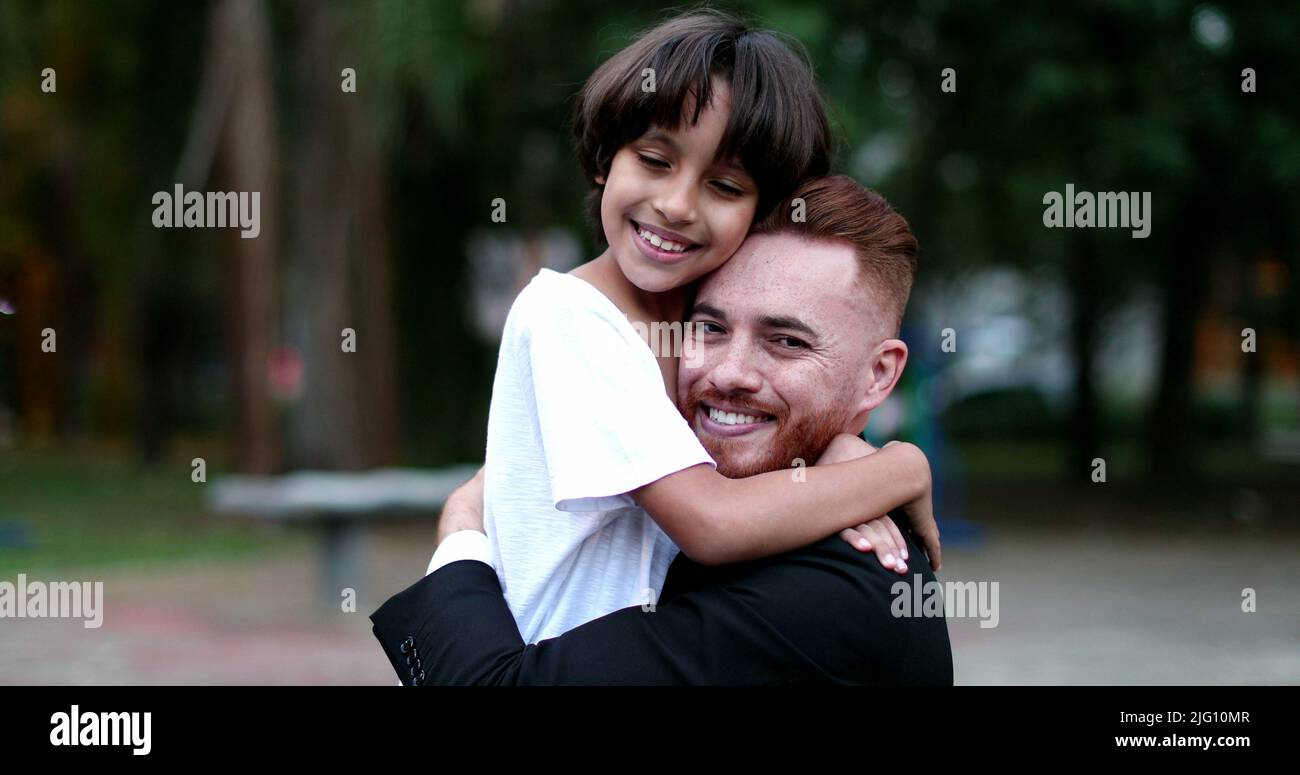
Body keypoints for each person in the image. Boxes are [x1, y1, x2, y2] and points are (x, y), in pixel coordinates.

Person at [373, 176, 952, 685]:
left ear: (878, 376)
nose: (728, 373)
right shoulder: (691, 510)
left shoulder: (840, 588)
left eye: (787, 341)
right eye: (709, 327)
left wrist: (463, 529)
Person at [480, 9, 938, 646]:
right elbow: (712, 523)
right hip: (547, 660)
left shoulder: (692, 315)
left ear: (760, 213)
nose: (676, 204)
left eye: (724, 185)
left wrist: (838, 456)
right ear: (603, 159)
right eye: (654, 159)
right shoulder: (571, 318)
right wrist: (899, 470)